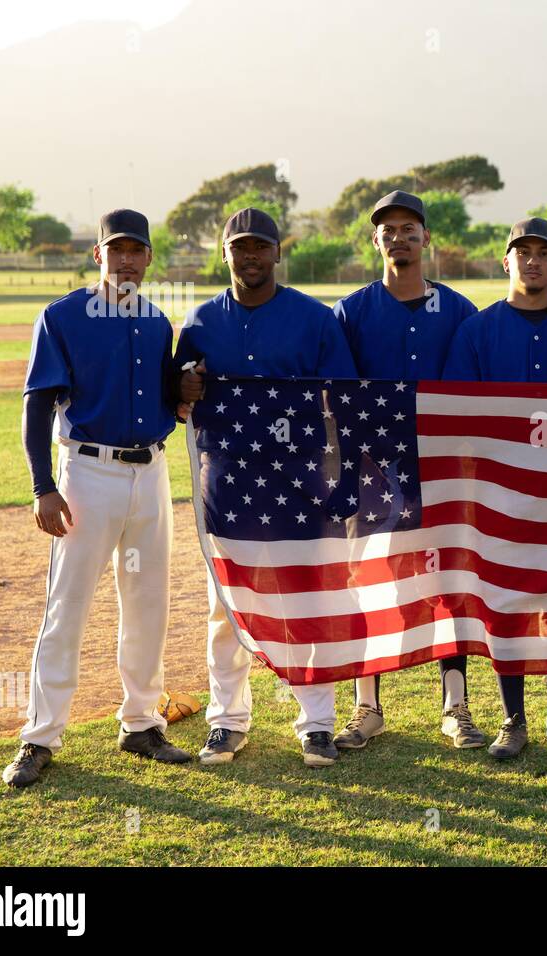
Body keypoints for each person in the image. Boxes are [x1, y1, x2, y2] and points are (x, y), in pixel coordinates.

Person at [4, 209, 190, 787]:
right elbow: (37, 406)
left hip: (150, 472)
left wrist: (182, 393)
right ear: (98, 255)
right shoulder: (63, 316)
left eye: (137, 250)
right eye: (117, 249)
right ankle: (39, 737)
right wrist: (43, 487)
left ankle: (140, 722)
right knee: (68, 604)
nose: (127, 259)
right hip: (87, 472)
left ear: (150, 258)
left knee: (148, 600)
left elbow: (167, 401)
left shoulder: (158, 322)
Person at [175, 207, 358, 768]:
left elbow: (346, 399)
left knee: (309, 599)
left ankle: (317, 724)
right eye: (239, 247)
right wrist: (179, 385)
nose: (250, 256)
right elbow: (178, 403)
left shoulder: (314, 318)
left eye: (260, 246)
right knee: (225, 606)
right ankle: (227, 722)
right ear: (224, 253)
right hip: (226, 484)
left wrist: (348, 479)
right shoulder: (201, 321)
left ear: (278, 252)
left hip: (301, 483)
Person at [443, 217, 547, 760]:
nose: (532, 261)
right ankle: (513, 719)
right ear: (505, 261)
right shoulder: (478, 331)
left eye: (544, 252)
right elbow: (460, 415)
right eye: (522, 252)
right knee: (506, 601)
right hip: (499, 490)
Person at [331, 190, 486, 751]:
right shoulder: (352, 311)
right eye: (387, 230)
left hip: (442, 469)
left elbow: (478, 393)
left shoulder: (459, 310)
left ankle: (456, 706)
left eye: (408, 228)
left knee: (447, 581)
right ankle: (366, 707)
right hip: (374, 471)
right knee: (370, 581)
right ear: (376, 242)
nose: (398, 237)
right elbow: (337, 399)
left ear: (427, 239)